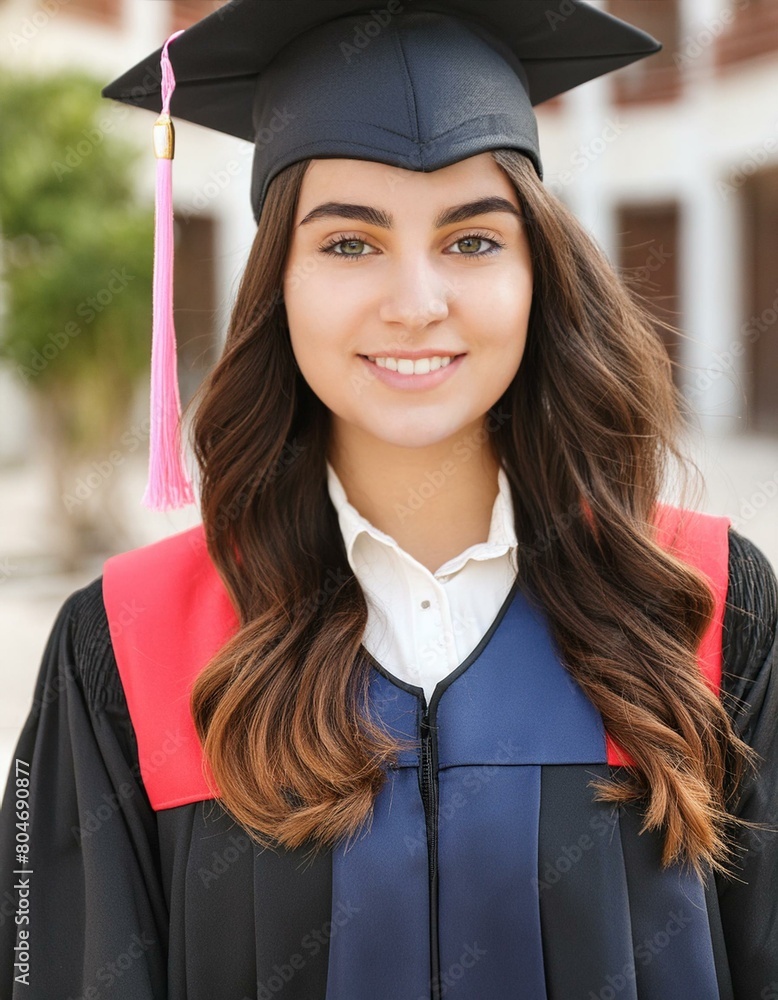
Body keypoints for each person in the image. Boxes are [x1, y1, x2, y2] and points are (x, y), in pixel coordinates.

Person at [1, 3, 777, 998]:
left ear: (538, 272)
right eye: (349, 245)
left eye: (473, 240)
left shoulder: (706, 611)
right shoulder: (129, 646)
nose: (416, 300)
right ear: (275, 282)